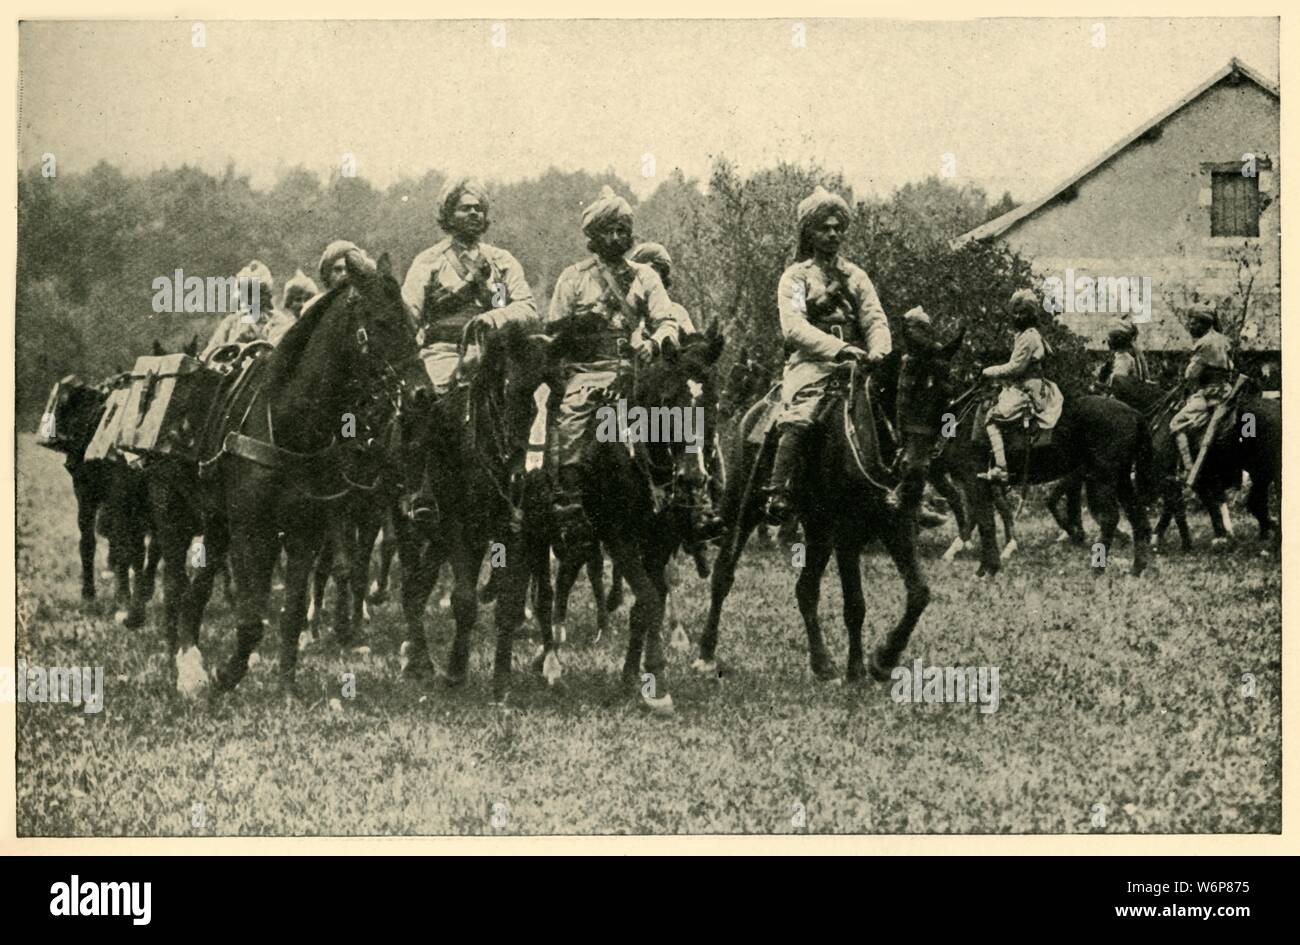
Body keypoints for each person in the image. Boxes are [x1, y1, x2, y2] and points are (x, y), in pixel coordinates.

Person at [545, 185, 681, 547]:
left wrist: (656, 341)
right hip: (587, 371)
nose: (617, 237)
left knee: (670, 415)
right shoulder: (573, 277)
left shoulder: (645, 277)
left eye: (623, 230)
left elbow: (667, 319)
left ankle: (678, 490)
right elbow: (553, 329)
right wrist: (580, 327)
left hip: (633, 366)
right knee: (572, 414)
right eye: (609, 230)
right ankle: (570, 498)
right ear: (594, 234)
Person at [763, 186, 891, 524]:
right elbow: (793, 328)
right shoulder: (795, 277)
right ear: (809, 231)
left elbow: (875, 318)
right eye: (824, 227)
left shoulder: (856, 276)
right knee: (801, 415)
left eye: (838, 227)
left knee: (895, 412)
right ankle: (779, 491)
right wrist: (840, 349)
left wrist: (878, 350)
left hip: (856, 366)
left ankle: (902, 488)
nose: (832, 234)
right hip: (812, 365)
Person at [400, 178, 537, 396]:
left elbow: (528, 309)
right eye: (464, 209)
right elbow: (407, 319)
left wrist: (494, 317)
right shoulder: (429, 262)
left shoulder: (501, 261)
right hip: (444, 354)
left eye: (478, 209)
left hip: (495, 352)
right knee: (435, 402)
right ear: (449, 216)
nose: (474, 213)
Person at [979, 288, 1063, 484]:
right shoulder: (1027, 334)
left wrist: (988, 371)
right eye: (1015, 312)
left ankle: (1001, 468)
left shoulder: (1028, 337)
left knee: (991, 418)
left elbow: (1015, 368)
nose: (1017, 316)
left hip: (1027, 388)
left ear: (1031, 314)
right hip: (1028, 385)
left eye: (1022, 312)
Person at [1169, 304, 1234, 477]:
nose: (1190, 326)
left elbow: (1191, 374)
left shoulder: (1205, 343)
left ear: (1205, 323)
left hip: (1210, 392)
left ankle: (1189, 469)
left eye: (1194, 323)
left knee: (1176, 423)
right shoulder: (1223, 340)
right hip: (1226, 389)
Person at [201, 260, 276, 359]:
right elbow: (209, 353)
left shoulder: (275, 320)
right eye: (245, 293)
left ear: (265, 296)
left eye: (253, 294)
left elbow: (277, 353)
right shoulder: (232, 322)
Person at [630, 242, 697, 336]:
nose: (654, 276)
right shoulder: (624, 308)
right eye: (648, 270)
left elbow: (692, 344)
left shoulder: (677, 311)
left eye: (660, 270)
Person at [266, 269, 319, 346]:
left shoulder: (319, 327)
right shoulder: (283, 329)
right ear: (289, 303)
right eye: (298, 300)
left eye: (308, 299)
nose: (303, 304)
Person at [1103, 314, 1149, 385]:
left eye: (1113, 338)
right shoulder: (1119, 355)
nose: (1109, 341)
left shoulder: (1125, 357)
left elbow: (1119, 379)